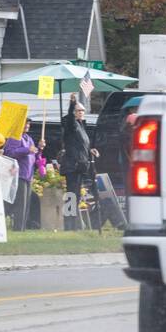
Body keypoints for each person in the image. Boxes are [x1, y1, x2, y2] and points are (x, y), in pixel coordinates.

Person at [61, 92, 98, 229]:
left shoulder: (82, 127)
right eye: (79, 110)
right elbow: (70, 119)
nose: (81, 112)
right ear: (74, 112)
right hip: (72, 166)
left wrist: (90, 150)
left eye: (83, 110)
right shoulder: (71, 124)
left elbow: (81, 146)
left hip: (81, 167)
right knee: (71, 196)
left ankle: (73, 224)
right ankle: (68, 225)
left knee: (75, 196)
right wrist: (71, 105)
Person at [3, 125, 45, 233]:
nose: (27, 125)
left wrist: (39, 149)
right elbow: (9, 152)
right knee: (20, 203)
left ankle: (22, 228)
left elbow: (34, 156)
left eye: (29, 123)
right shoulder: (14, 137)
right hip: (19, 174)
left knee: (26, 203)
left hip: (28, 175)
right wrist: (26, 149)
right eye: (25, 123)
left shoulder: (29, 138)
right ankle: (17, 228)